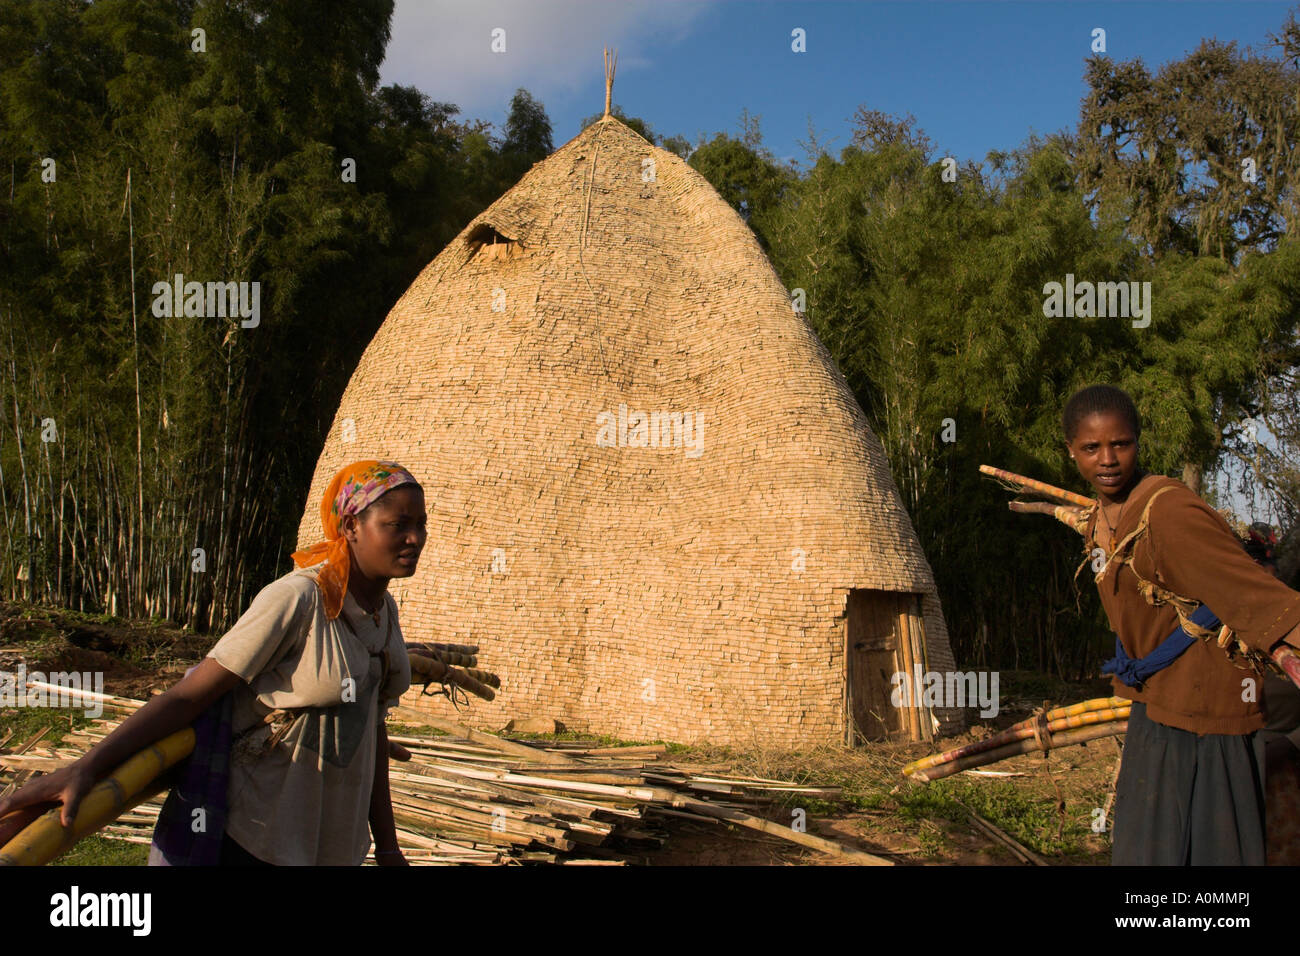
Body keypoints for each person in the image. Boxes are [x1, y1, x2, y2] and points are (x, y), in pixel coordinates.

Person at [0, 459, 424, 866]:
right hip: (259, 838)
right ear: (351, 526)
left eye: (420, 524)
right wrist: (87, 767)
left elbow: (371, 727)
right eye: (398, 525)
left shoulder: (384, 612)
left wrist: (387, 847)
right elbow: (190, 694)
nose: (415, 538)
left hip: (334, 844)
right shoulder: (298, 599)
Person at [1041, 385, 1300, 865]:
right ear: (1071, 451)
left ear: (1137, 442)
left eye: (1120, 444)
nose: (1108, 459)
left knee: (1213, 853)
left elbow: (1252, 591)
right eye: (1091, 448)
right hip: (1157, 702)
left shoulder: (1169, 509)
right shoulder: (1102, 517)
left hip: (1209, 706)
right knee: (1150, 850)